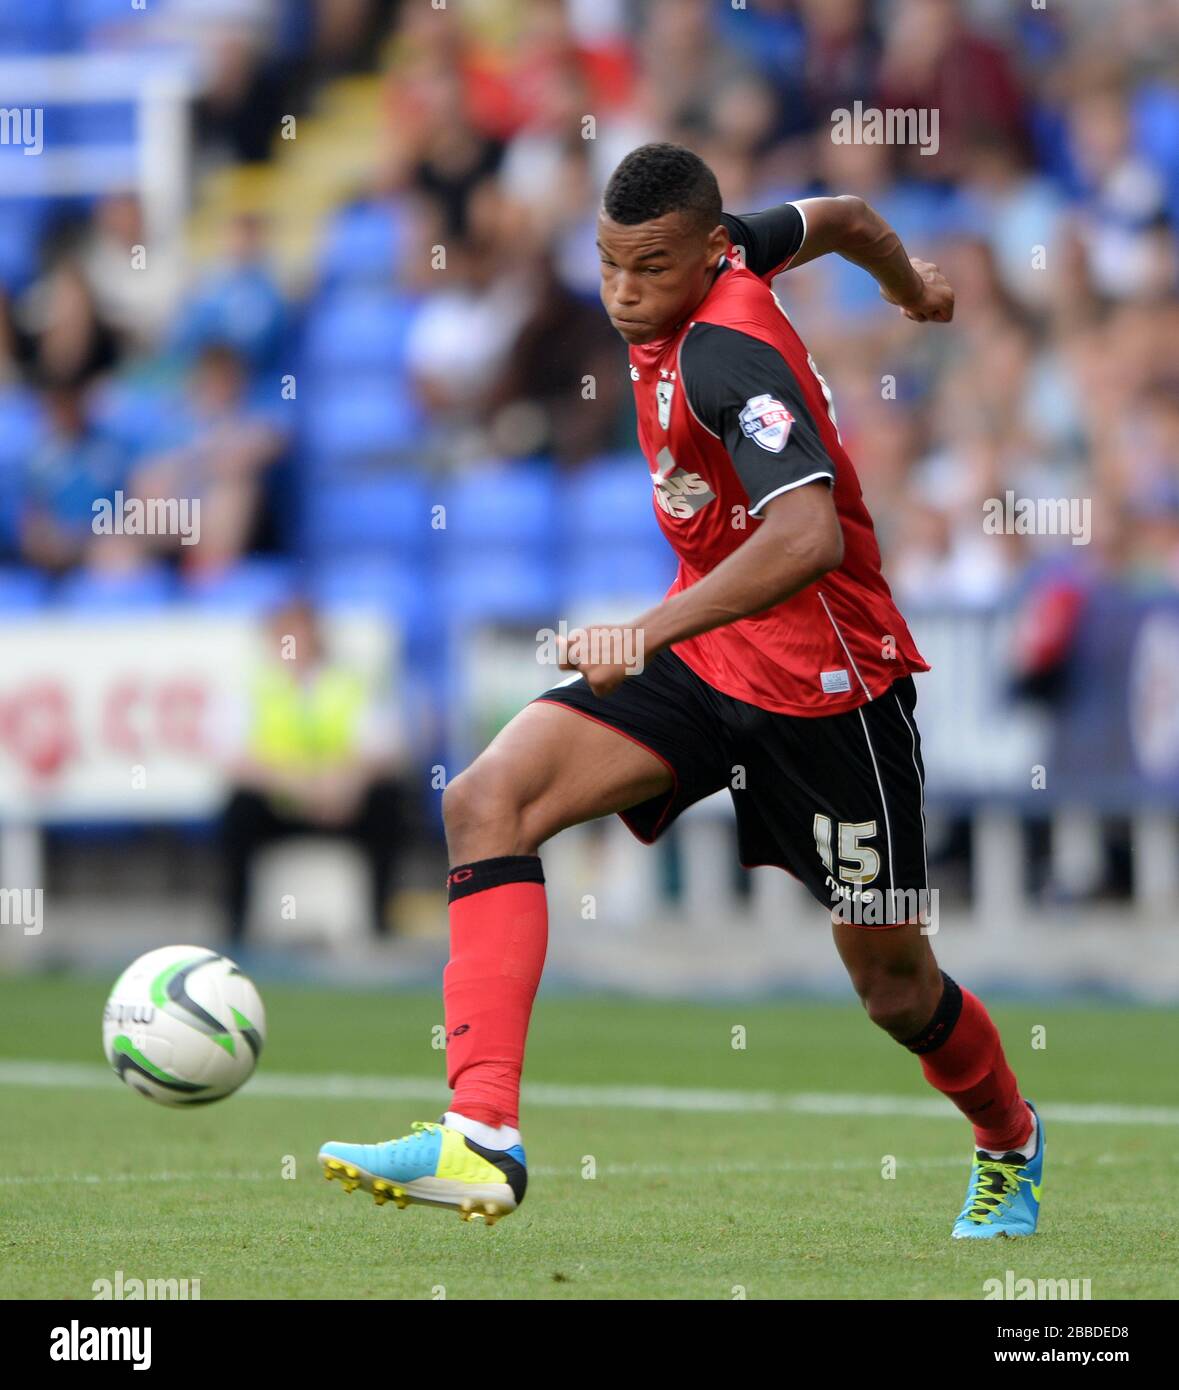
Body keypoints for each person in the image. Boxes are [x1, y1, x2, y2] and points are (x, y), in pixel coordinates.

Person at [319, 143, 1043, 1239]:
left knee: (894, 984)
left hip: (830, 693)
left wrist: (645, 628)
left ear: (705, 256)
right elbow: (843, 215)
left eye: (648, 269)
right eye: (609, 265)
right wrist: (913, 288)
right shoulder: (725, 246)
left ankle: (1009, 1137)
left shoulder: (727, 358)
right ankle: (482, 1132)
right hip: (709, 662)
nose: (622, 293)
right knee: (486, 800)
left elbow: (802, 538)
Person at [219, 598, 406, 942]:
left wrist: (346, 783)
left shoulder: (349, 684)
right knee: (238, 807)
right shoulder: (255, 687)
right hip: (279, 804)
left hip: (343, 803)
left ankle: (380, 921)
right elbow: (232, 758)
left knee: (387, 801)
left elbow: (385, 749)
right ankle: (235, 927)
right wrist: (294, 784)